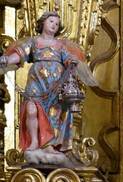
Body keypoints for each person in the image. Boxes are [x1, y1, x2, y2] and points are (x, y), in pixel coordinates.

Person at [0, 10, 96, 159]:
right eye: (51, 21)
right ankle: (34, 142)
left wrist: (72, 62)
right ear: (43, 22)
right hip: (36, 81)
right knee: (31, 109)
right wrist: (6, 60)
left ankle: (49, 144)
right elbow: (20, 54)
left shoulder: (60, 45)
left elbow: (69, 59)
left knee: (53, 114)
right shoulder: (33, 42)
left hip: (55, 84)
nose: (54, 25)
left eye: (57, 24)